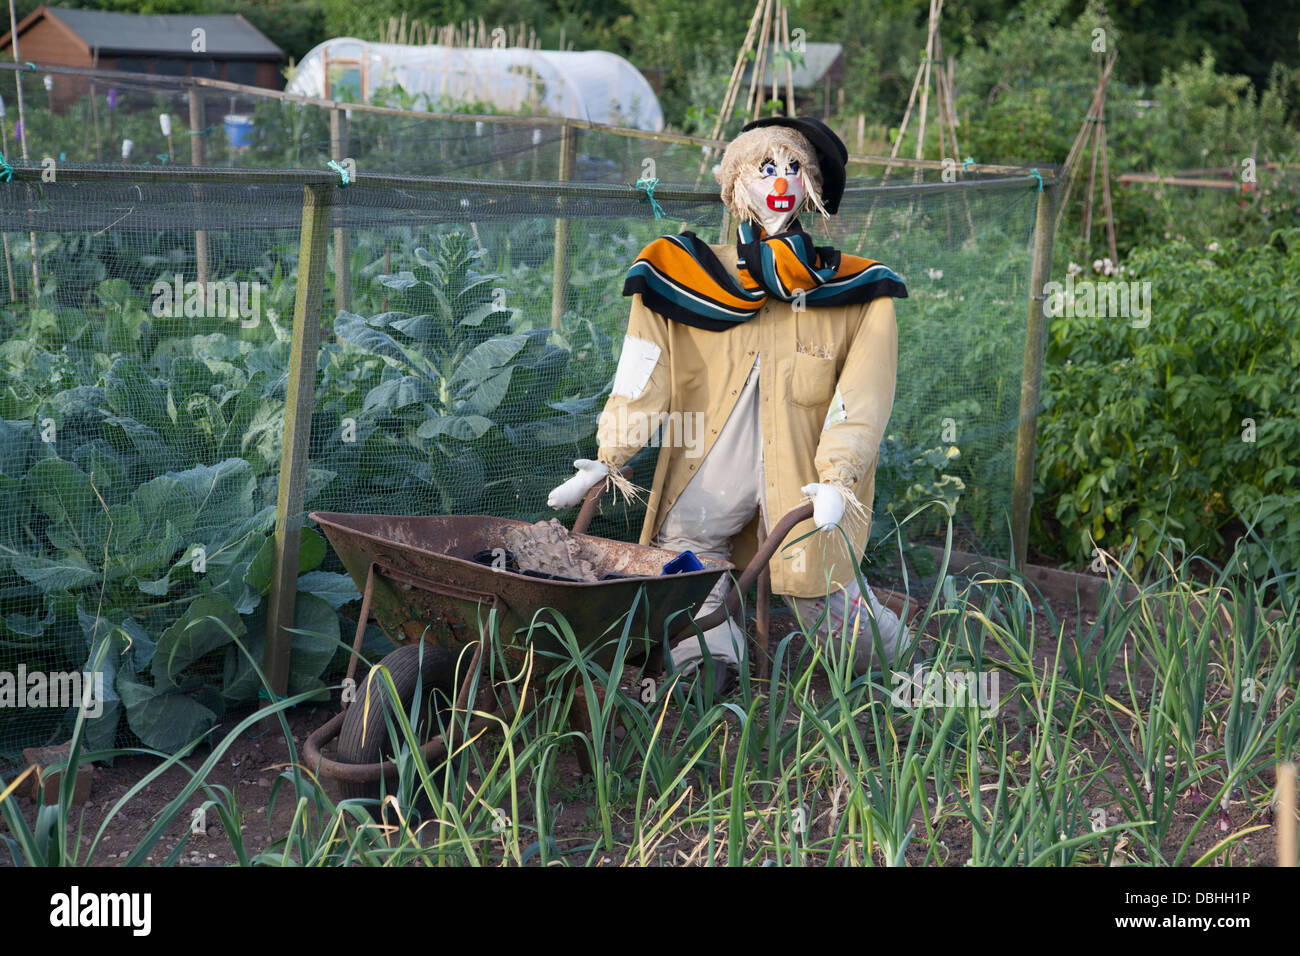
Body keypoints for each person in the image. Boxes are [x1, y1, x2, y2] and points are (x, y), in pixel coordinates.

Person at [548, 116, 910, 690]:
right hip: (707, 471)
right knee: (688, 560)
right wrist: (609, 456)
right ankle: (709, 664)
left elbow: (861, 398)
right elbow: (645, 369)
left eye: (795, 169)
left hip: (803, 480)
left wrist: (839, 478)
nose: (781, 181)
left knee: (831, 610)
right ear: (737, 181)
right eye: (766, 167)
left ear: (811, 187)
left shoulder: (856, 291)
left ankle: (898, 649)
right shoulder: (684, 276)